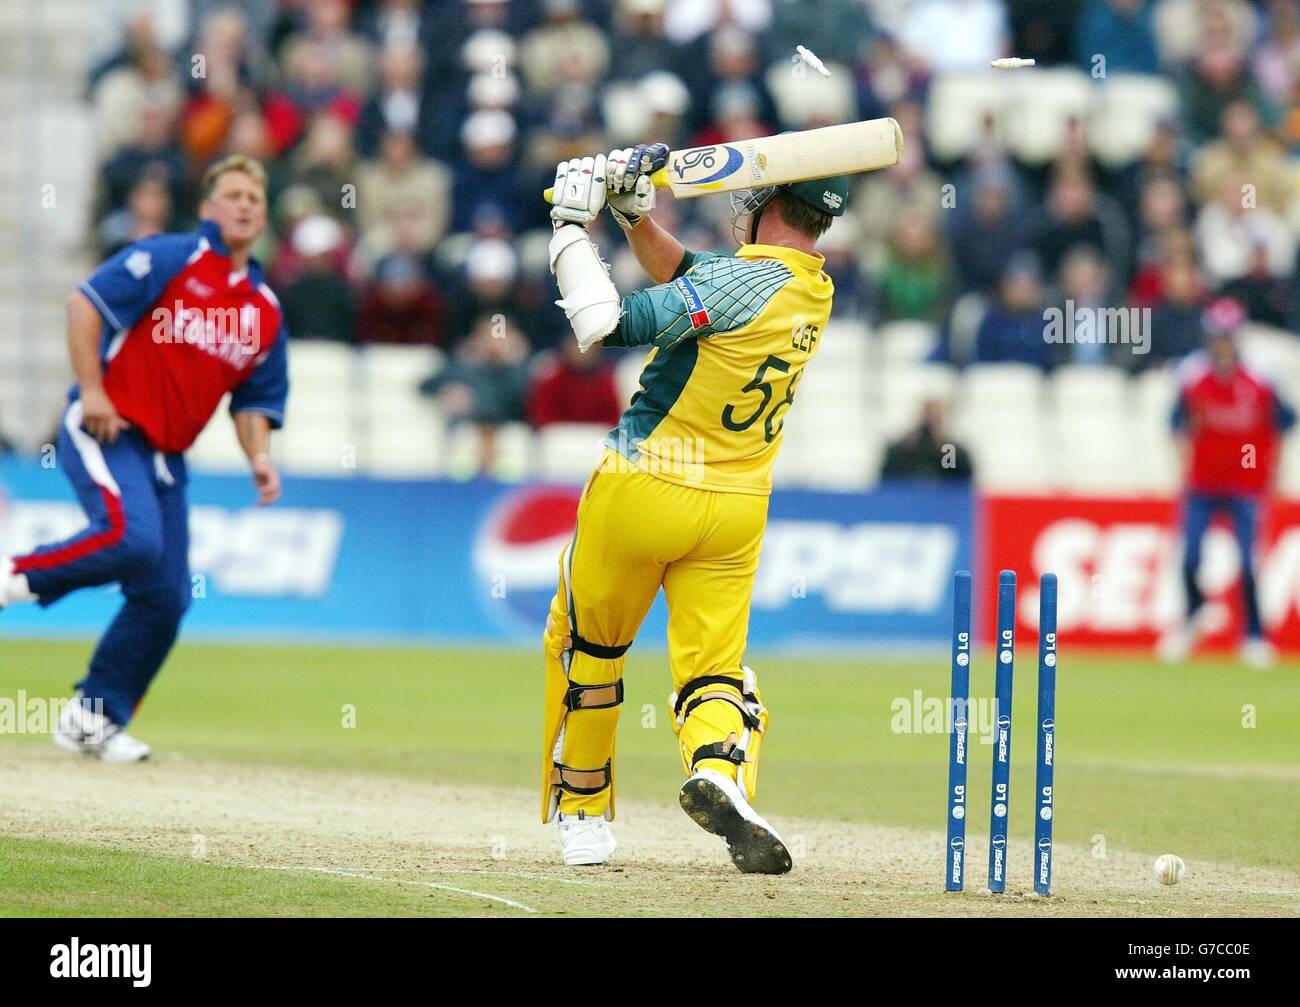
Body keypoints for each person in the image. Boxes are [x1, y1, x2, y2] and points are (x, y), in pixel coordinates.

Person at [540, 144, 845, 874]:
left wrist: (568, 228)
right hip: (737, 507)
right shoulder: (813, 290)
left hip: (645, 482)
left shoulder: (740, 284)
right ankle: (720, 771)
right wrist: (631, 211)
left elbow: (600, 322)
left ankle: (583, 818)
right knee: (716, 672)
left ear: (767, 208)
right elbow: (692, 275)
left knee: (593, 652)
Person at [0, 156, 288, 760]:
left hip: (164, 454)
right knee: (133, 540)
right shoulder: (169, 257)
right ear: (208, 207)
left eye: (254, 200)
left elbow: (254, 399)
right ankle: (14, 576)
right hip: (105, 426)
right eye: (232, 194)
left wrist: (258, 455)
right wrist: (96, 390)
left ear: (263, 217)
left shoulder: (263, 308)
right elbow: (84, 305)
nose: (243, 206)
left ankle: (92, 716)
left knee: (165, 594)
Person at [1159, 297, 1294, 667]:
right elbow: (1175, 423)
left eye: (1228, 337)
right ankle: (1192, 618)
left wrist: (1273, 472)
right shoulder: (1192, 374)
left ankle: (1253, 635)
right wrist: (1183, 464)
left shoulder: (1261, 375)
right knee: (1189, 558)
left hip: (1246, 485)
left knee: (1249, 563)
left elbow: (1282, 423)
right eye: (1216, 337)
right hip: (1202, 482)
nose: (1222, 345)